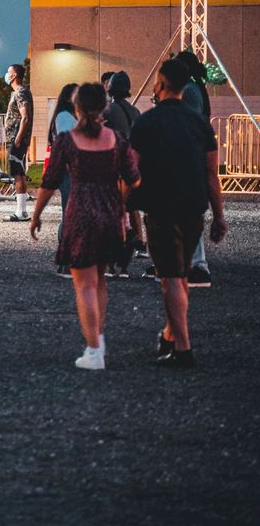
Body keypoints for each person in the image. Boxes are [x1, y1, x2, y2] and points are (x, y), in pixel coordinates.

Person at [30, 82, 139, 371]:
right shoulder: (117, 139)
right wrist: (122, 205)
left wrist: (36, 214)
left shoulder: (67, 140)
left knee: (84, 286)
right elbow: (133, 178)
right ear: (104, 107)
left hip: (79, 215)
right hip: (109, 214)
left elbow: (50, 181)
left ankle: (93, 351)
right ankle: (98, 340)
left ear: (76, 108)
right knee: (100, 281)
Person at [129, 58, 227, 368]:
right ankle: (170, 336)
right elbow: (212, 173)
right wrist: (219, 215)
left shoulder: (146, 122)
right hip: (193, 207)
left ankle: (183, 348)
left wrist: (124, 203)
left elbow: (131, 168)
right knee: (180, 277)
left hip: (160, 207)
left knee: (170, 279)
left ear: (161, 84)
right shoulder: (199, 123)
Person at [175, 48, 213, 288]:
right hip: (195, 154)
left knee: (185, 211)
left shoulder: (188, 90)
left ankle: (196, 264)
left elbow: (185, 121)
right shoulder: (198, 88)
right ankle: (191, 262)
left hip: (188, 155)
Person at [104, 70, 146, 271]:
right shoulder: (135, 112)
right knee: (130, 207)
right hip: (133, 165)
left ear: (111, 89)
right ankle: (136, 241)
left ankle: (114, 259)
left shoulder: (108, 111)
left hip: (114, 166)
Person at [46, 82, 78, 278]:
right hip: (69, 171)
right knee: (70, 215)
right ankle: (66, 261)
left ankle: (66, 260)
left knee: (70, 214)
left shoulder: (66, 116)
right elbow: (69, 143)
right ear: (69, 98)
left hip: (69, 171)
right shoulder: (65, 117)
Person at [4, 63, 33, 222]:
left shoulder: (20, 92)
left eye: (9, 72)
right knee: (18, 172)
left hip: (16, 139)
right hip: (16, 138)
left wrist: (18, 137)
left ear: (14, 75)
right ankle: (21, 210)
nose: (7, 75)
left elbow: (25, 116)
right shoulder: (21, 92)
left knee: (18, 174)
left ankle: (21, 211)